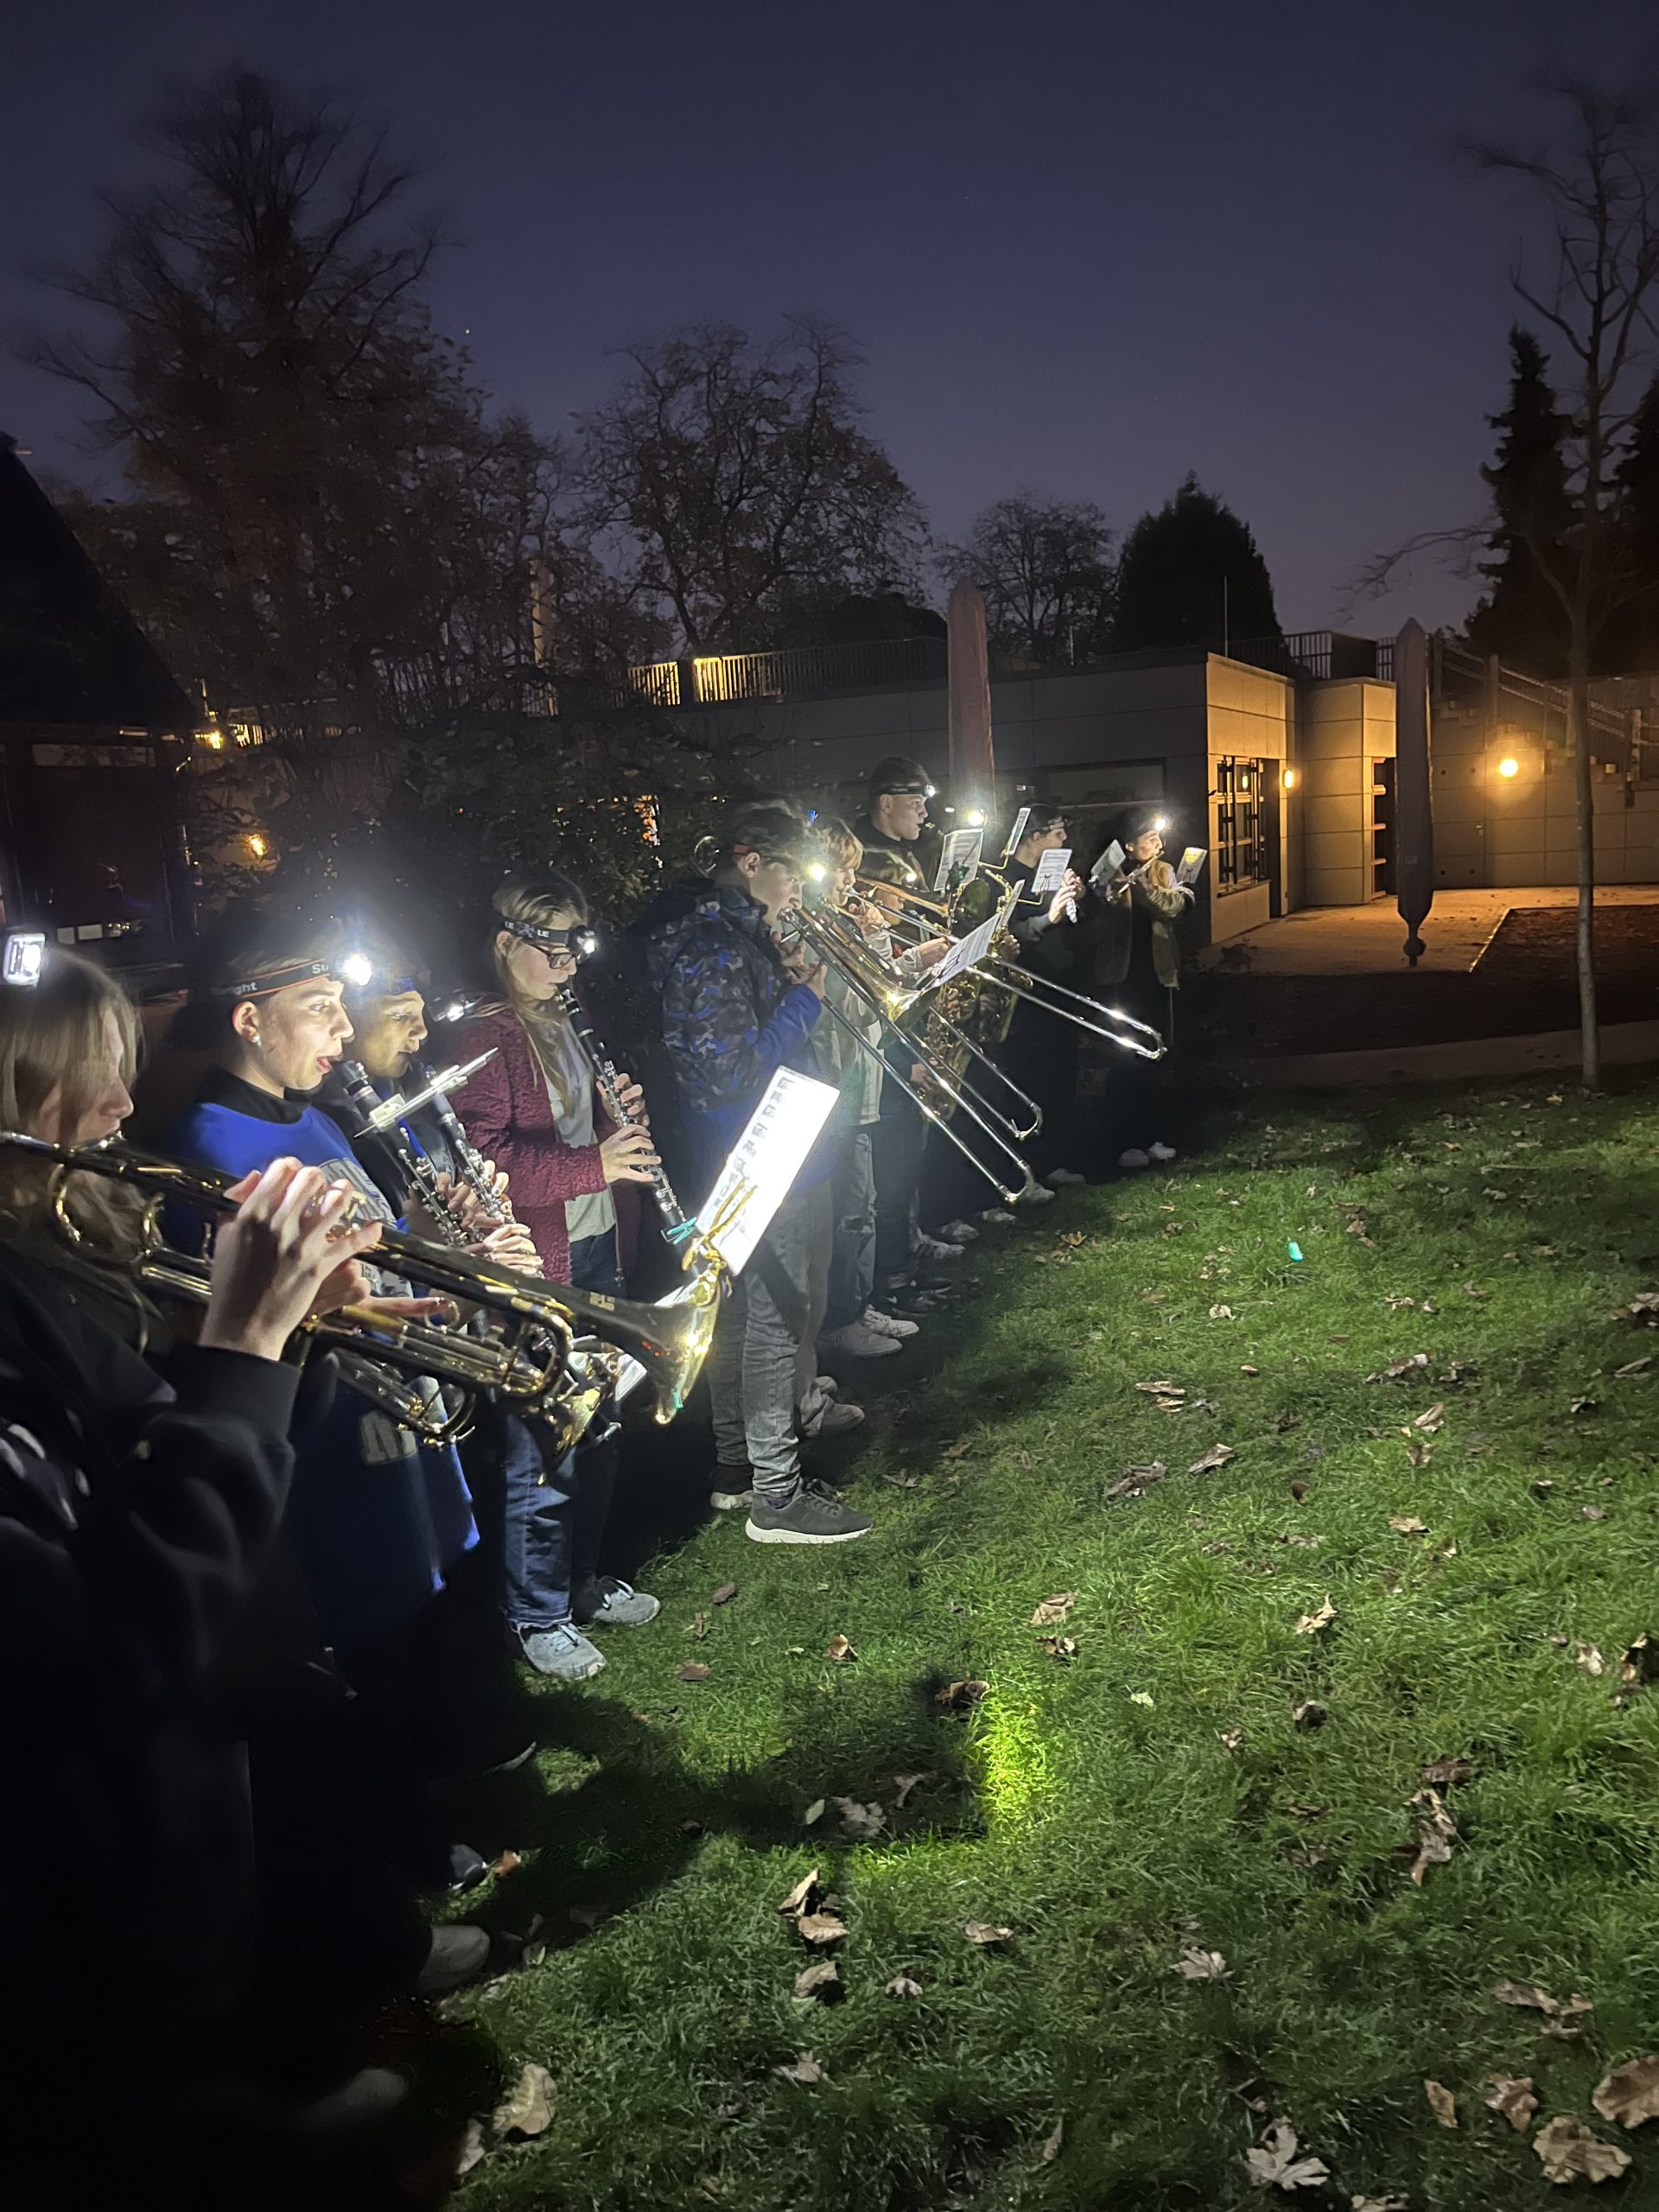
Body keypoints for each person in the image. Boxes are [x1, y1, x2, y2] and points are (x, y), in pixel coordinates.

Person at [0, 945, 419, 2183]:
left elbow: (131, 1402)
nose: (126, 1109)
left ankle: (239, 2072)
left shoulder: (47, 1241)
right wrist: (242, 1344)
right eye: (90, 1082)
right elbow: (112, 1637)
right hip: (81, 1855)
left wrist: (275, 1326)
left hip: (188, 1778)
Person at [160, 920, 497, 1907]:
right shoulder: (209, 1147)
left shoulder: (321, 1122)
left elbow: (376, 1254)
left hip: (402, 1427)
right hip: (333, 1449)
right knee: (373, 1673)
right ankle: (405, 1870)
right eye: (321, 1012)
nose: (344, 1035)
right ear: (249, 1017)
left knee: (423, 1641)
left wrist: (442, 1245)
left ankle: (436, 1823)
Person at [641, 801, 874, 1544]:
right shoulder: (710, 947)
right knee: (775, 1316)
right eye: (792, 875)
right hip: (757, 1152)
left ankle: (737, 1470)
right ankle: (778, 1493)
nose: (800, 893)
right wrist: (806, 999)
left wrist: (787, 980)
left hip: (757, 1148)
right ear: (751, 864)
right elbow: (731, 1073)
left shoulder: (729, 937)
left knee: (742, 1317)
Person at [453, 876, 663, 1681]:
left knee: (600, 1422)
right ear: (507, 946)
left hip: (600, 1243)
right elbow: (481, 1165)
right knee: (542, 1440)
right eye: (553, 945)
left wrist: (617, 1119)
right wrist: (595, 1160)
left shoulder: (563, 1020)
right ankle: (534, 1611)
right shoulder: (486, 1036)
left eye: (578, 942)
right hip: (542, 1261)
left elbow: (585, 1129)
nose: (569, 960)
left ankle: (581, 1580)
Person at [802, 818, 915, 1367]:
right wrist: (868, 943)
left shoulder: (839, 924)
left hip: (860, 1085)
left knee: (862, 1206)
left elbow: (884, 988)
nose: (850, 881)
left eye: (849, 869)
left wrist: (879, 942)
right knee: (850, 1213)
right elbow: (844, 1008)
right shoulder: (808, 932)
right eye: (841, 870)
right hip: (836, 1088)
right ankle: (841, 1321)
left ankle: (858, 1304)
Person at [1096, 813, 1191, 1168]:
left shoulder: (1163, 871)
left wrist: (1146, 889)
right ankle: (1124, 1141)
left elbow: (1176, 905)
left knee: (1154, 1052)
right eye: (1150, 840)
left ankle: (1151, 1135)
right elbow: (1098, 913)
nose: (1159, 846)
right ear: (1130, 845)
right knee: (1122, 1056)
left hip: (1156, 974)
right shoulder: (1110, 870)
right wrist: (1111, 889)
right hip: (1121, 978)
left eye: (1158, 839)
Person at [852, 754, 943, 890]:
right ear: (887, 804)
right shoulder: (860, 861)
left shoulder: (922, 850)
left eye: (924, 804)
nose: (924, 813)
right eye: (915, 803)